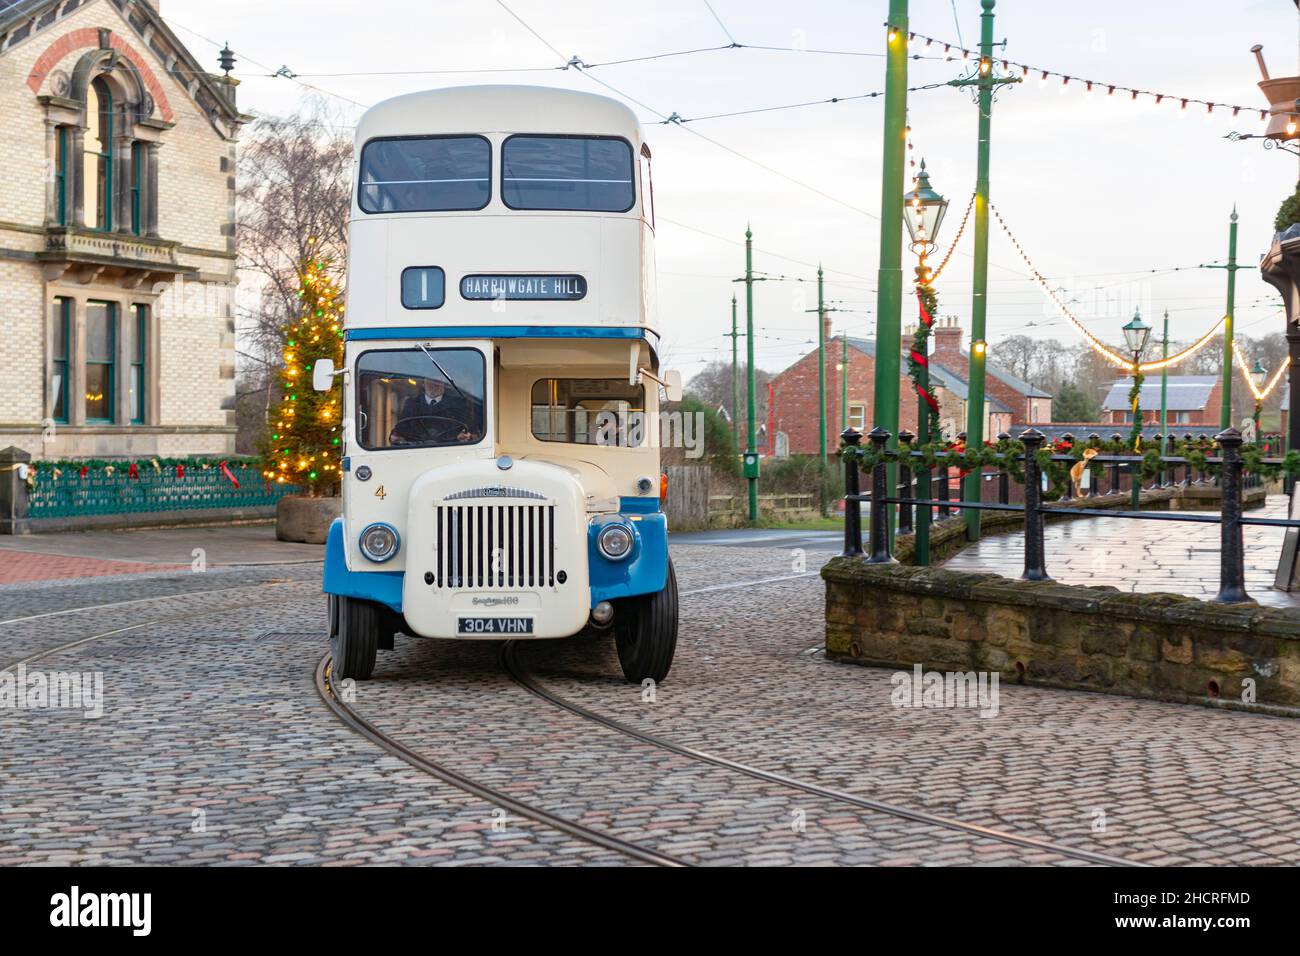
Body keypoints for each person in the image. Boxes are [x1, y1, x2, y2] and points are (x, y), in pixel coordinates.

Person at [391, 376, 479, 445]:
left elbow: (471, 431)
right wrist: (397, 437)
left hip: (451, 450)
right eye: (431, 380)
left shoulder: (458, 404)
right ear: (423, 383)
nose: (435, 384)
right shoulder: (411, 404)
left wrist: (466, 437)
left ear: (444, 384)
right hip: (417, 451)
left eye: (439, 381)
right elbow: (401, 430)